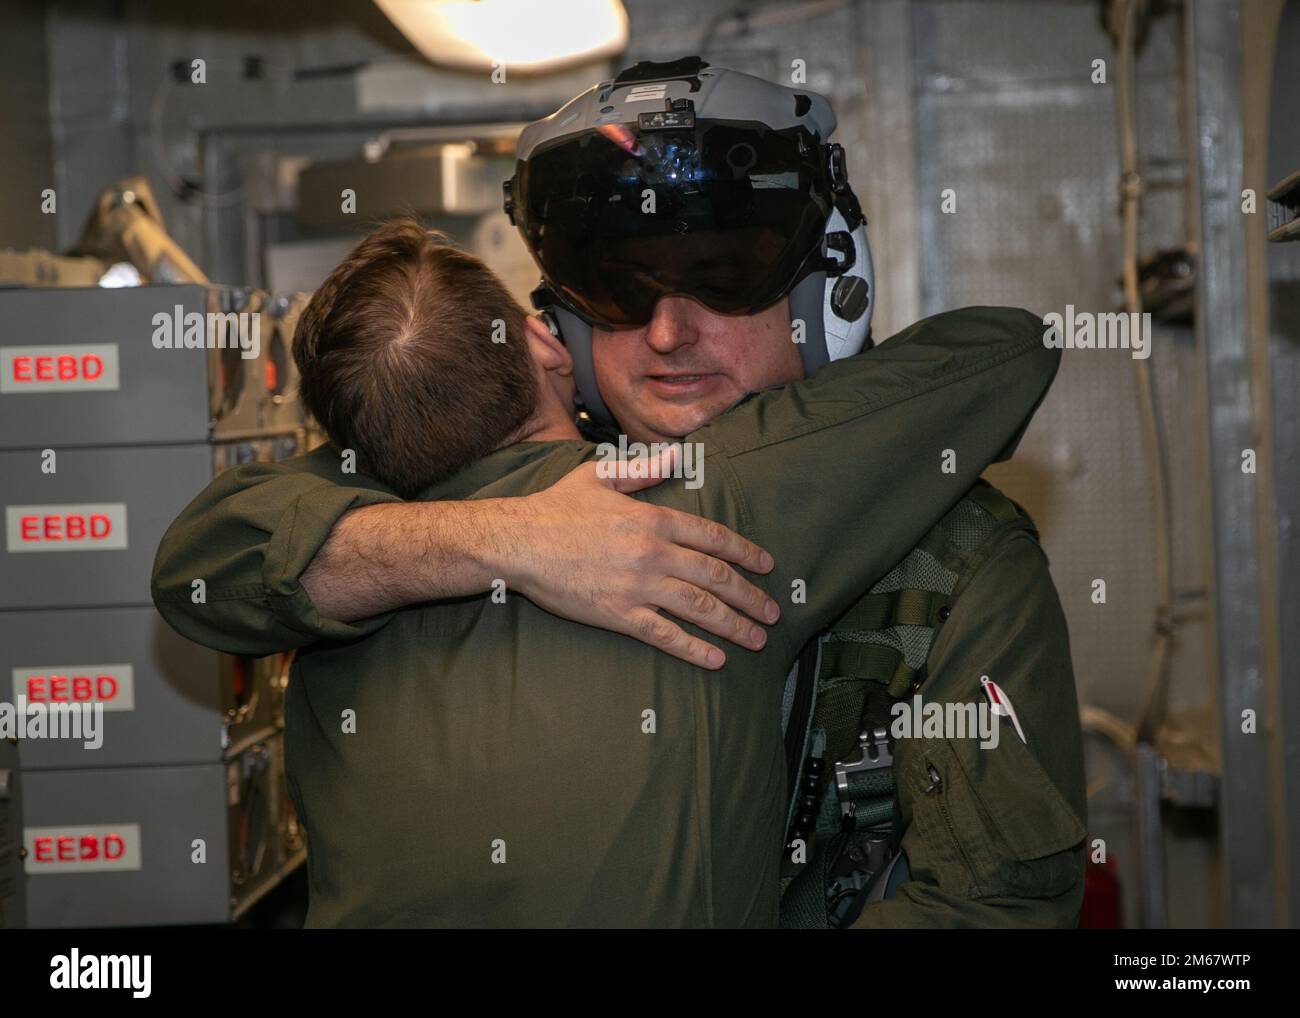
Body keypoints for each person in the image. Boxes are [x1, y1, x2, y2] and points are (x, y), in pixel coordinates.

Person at [153, 57, 1087, 928]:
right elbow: (218, 553)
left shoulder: (953, 549)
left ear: (823, 295)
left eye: (723, 283)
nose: (672, 333)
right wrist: (507, 538)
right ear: (558, 327)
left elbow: (993, 908)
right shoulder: (452, 476)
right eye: (621, 292)